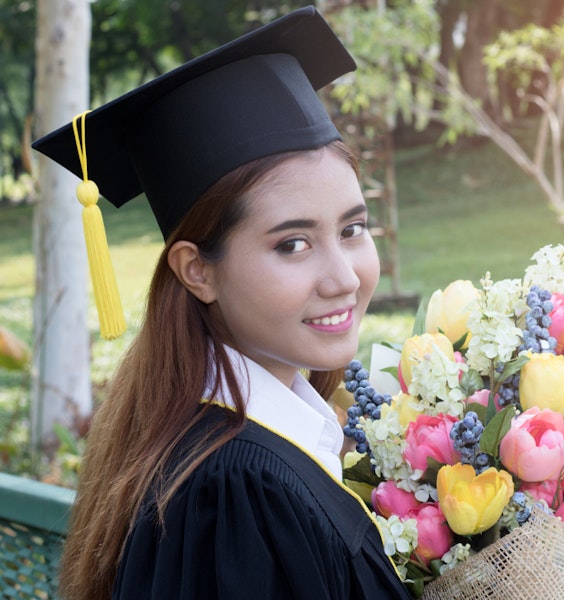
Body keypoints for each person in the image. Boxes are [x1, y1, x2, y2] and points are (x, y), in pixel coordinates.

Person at [32, 6, 411, 599]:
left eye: (352, 229)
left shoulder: (258, 436)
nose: (343, 278)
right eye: (292, 243)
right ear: (196, 271)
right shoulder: (235, 494)